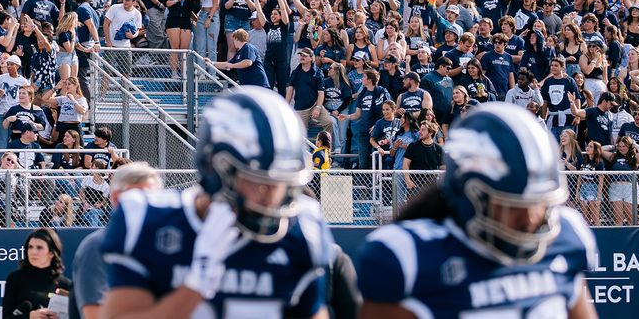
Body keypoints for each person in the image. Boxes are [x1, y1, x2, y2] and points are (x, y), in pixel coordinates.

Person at [101, 86, 337, 317]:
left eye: (281, 183)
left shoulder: (304, 230)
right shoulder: (144, 220)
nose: (271, 196)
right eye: (259, 182)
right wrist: (196, 283)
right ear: (215, 169)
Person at [357, 103, 598, 318]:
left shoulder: (565, 236)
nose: (531, 218)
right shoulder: (409, 256)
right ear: (470, 197)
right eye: (514, 204)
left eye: (540, 202)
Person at [73, 162, 163, 319]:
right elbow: (93, 315)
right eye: (140, 197)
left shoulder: (164, 243)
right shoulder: (96, 247)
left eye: (154, 197)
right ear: (116, 198)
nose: (149, 203)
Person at [2, 229, 73, 319]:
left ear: (51, 253)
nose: (33, 252)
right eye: (30, 247)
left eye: (39, 247)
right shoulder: (15, 279)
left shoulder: (65, 284)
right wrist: (30, 316)